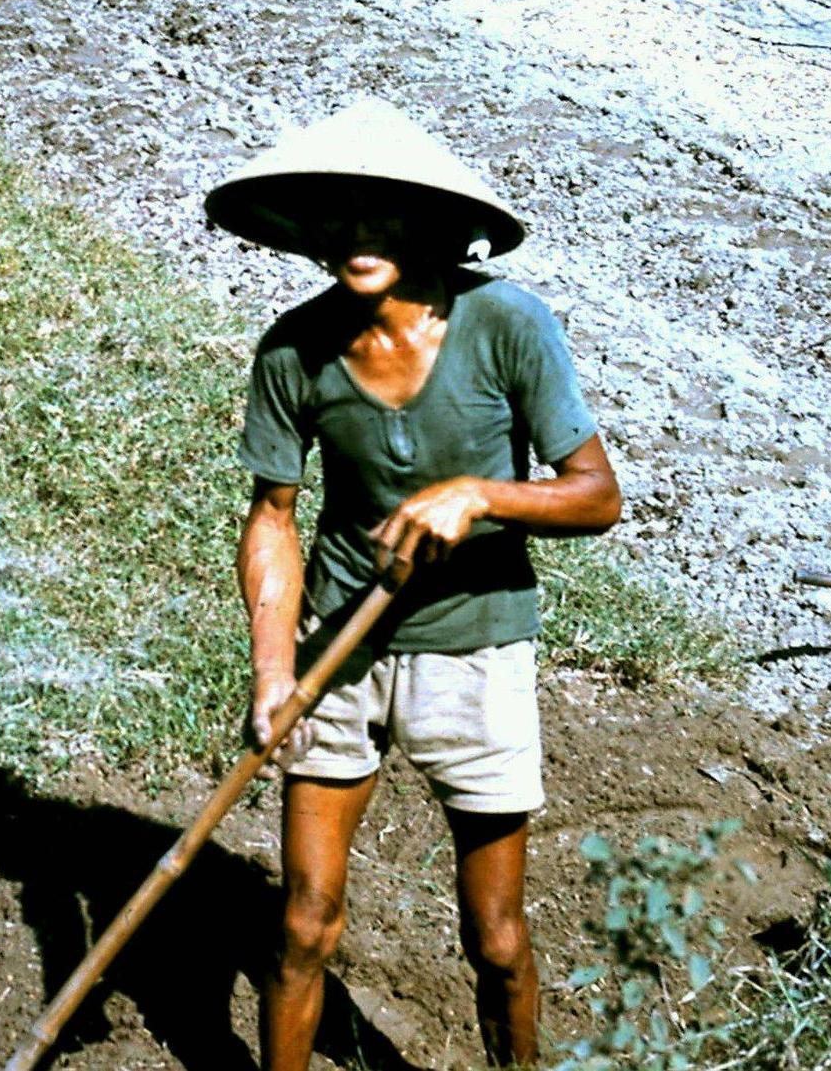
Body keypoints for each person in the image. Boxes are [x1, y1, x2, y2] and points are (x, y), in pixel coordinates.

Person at [204, 98, 622, 1069]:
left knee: (496, 935)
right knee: (303, 923)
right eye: (341, 217)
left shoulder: (505, 325)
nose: (361, 234)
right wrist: (272, 671)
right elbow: (271, 517)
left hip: (475, 642)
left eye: (384, 213)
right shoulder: (293, 349)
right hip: (339, 645)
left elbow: (596, 495)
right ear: (313, 234)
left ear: (430, 223)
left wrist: (474, 494)